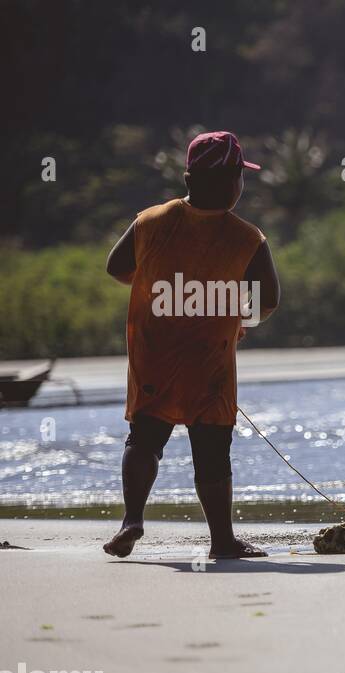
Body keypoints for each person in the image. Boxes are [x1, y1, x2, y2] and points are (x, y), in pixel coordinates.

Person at [102, 130, 280, 558]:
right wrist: (241, 318)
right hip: (210, 363)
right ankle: (221, 539)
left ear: (188, 178)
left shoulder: (150, 221)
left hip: (154, 355)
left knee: (144, 438)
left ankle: (132, 520)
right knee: (213, 447)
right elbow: (267, 300)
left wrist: (154, 281)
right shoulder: (246, 238)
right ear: (234, 182)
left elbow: (117, 268)